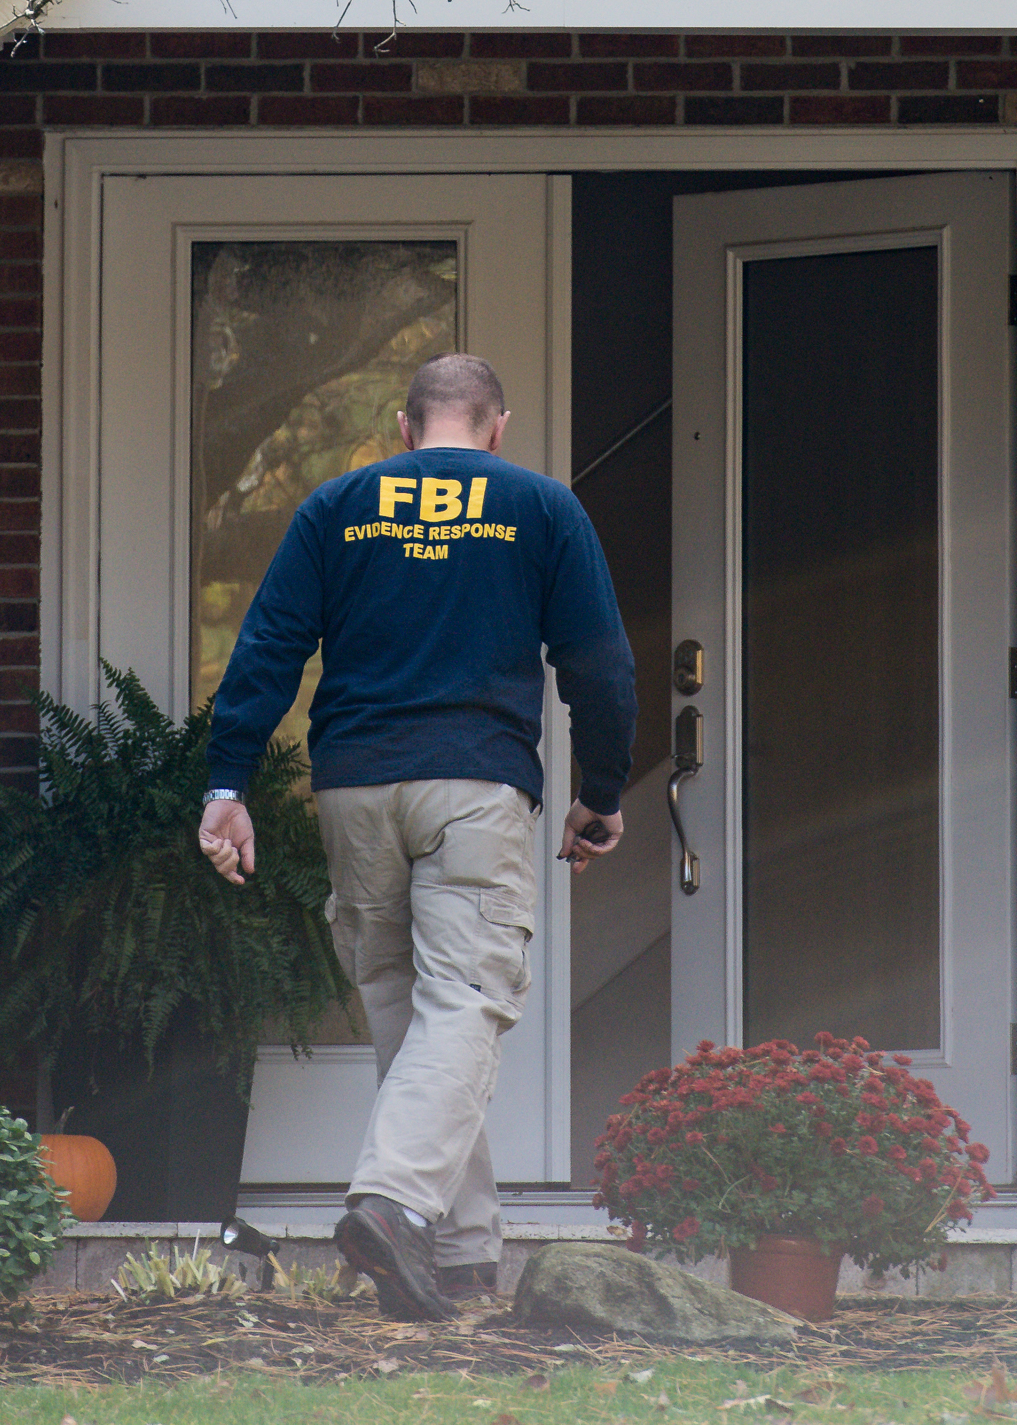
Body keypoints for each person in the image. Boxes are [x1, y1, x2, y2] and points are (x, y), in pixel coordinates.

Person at [197, 351, 636, 1320]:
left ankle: (459, 1251)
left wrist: (226, 781)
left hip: (354, 786)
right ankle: (396, 1203)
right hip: (473, 784)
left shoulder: (336, 506)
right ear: (496, 426)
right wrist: (599, 789)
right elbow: (598, 661)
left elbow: (268, 646)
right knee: (467, 1001)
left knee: (409, 1008)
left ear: (404, 429)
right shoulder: (540, 507)